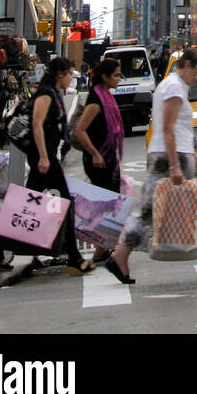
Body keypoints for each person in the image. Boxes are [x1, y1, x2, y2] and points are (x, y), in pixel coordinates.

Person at [104, 46, 197, 284]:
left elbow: (176, 128)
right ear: (186, 66)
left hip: (167, 153)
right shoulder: (174, 87)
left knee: (149, 210)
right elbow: (169, 128)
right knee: (196, 208)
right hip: (171, 156)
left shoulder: (172, 85)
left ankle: (120, 256)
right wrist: (176, 165)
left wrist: (193, 156)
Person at [0, 56, 95, 275]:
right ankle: (74, 258)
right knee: (64, 202)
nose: (70, 80)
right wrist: (45, 157)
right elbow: (37, 125)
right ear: (60, 74)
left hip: (44, 157)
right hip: (42, 157)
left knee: (27, 207)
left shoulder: (53, 93)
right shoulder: (45, 94)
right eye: (69, 75)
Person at [72, 58, 125, 263]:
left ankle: (102, 248)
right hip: (98, 160)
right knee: (106, 203)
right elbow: (80, 131)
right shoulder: (96, 100)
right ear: (104, 77)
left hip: (108, 158)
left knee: (112, 202)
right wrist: (94, 153)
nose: (119, 79)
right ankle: (99, 249)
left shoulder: (106, 96)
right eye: (116, 75)